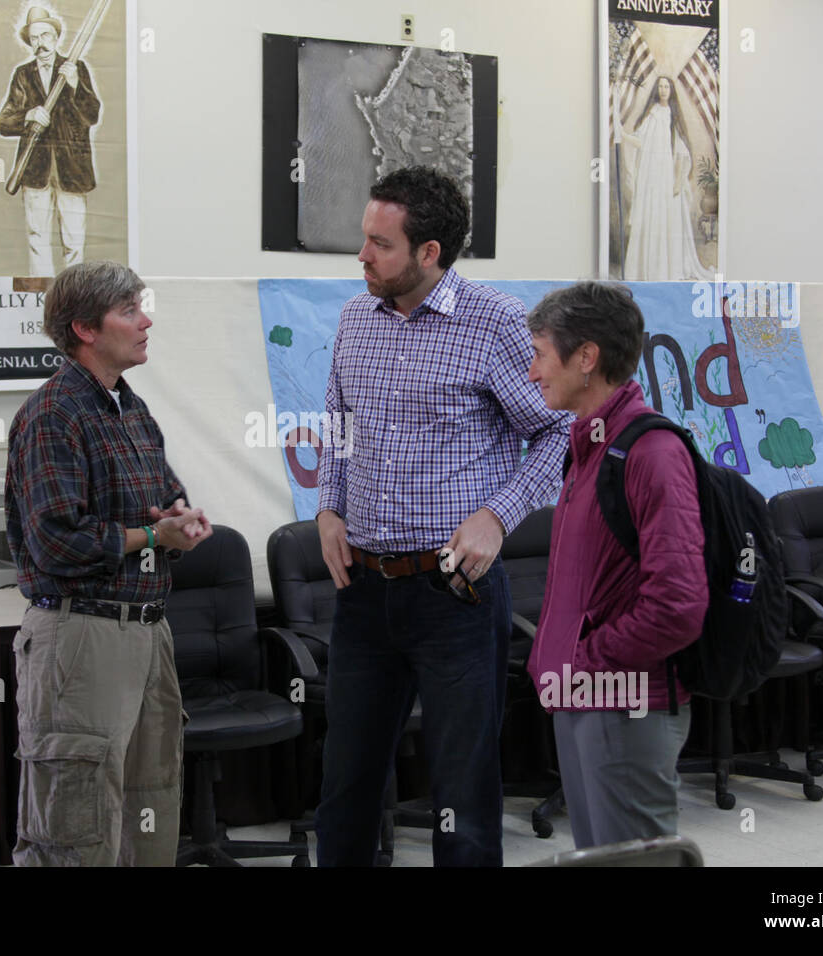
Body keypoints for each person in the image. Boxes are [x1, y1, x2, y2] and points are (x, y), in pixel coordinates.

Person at [314, 166, 572, 866]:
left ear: (429, 253)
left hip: (454, 593)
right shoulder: (352, 320)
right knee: (347, 786)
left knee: (462, 791)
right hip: (362, 591)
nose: (362, 256)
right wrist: (328, 506)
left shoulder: (495, 323)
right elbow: (338, 424)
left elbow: (559, 432)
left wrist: (498, 514)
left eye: (380, 243)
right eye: (364, 239)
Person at [4, 259, 210, 866]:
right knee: (74, 828)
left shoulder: (133, 411)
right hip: (81, 636)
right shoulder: (53, 415)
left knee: (150, 811)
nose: (146, 322)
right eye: (129, 311)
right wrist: (153, 534)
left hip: (148, 633)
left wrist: (182, 520)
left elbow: (163, 500)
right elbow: (59, 544)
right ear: (85, 329)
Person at [524, 280, 707, 849]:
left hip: (624, 700)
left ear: (586, 358)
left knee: (634, 864)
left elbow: (677, 606)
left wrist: (587, 659)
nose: (533, 373)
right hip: (583, 695)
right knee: (600, 860)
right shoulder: (590, 446)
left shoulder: (651, 453)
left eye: (540, 354)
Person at [0, 5, 102, 276]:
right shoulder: (23, 74)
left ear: (56, 37)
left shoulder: (76, 68)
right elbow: (4, 121)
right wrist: (29, 115)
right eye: (34, 38)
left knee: (74, 242)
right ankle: (41, 302)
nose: (40, 43)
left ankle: (75, 299)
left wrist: (76, 84)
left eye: (45, 36)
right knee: (37, 239)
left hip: (72, 169)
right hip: (35, 170)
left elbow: (92, 114)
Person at [615, 76, 713, 281]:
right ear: (656, 90)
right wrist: (623, 134)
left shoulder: (672, 117)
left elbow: (682, 151)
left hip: (666, 177)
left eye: (666, 86)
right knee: (650, 216)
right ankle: (648, 268)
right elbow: (640, 142)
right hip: (651, 177)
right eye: (660, 86)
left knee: (666, 219)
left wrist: (678, 180)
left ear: (671, 90)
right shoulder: (652, 115)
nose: (663, 89)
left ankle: (667, 269)